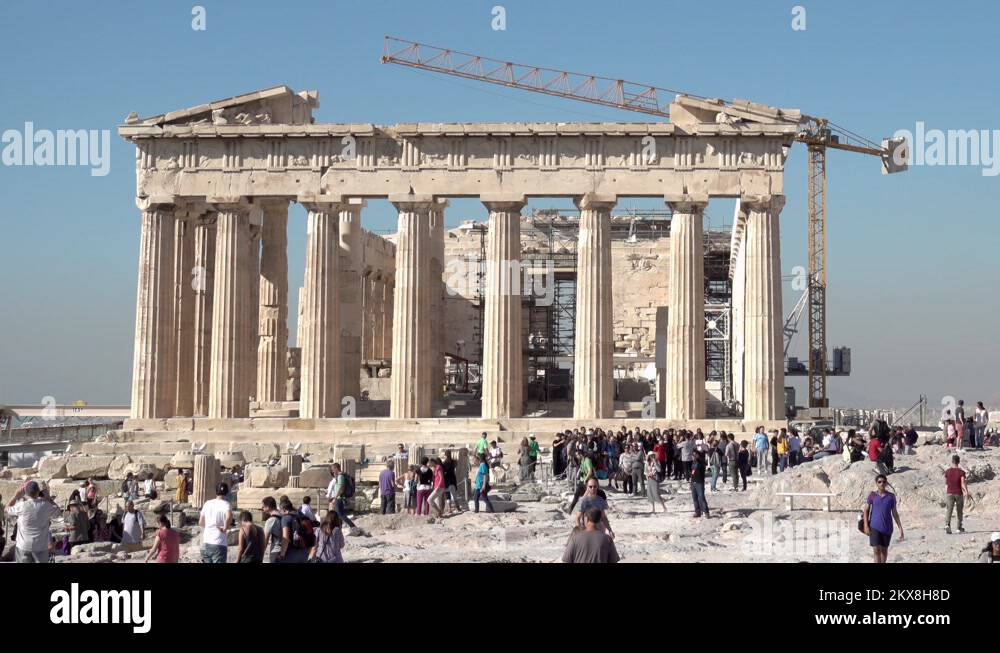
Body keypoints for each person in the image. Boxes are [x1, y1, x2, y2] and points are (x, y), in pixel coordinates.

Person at [6, 481, 61, 563]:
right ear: (38, 492)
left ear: (26, 493)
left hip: (23, 545)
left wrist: (16, 496)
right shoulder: (45, 505)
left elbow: (7, 509)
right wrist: (48, 498)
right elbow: (58, 512)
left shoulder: (21, 505)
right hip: (41, 546)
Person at [863, 475, 904, 563]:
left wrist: (900, 528)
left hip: (887, 528)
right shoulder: (872, 495)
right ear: (876, 483)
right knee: (876, 551)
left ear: (886, 483)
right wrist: (866, 525)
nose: (882, 483)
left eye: (884, 482)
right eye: (879, 482)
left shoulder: (891, 496)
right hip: (874, 527)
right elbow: (866, 510)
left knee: (884, 551)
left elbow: (895, 513)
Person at [198, 482, 233, 563]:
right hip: (219, 543)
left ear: (216, 491)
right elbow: (228, 516)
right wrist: (225, 527)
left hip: (206, 542)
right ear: (227, 493)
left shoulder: (207, 503)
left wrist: (209, 526)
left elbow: (200, 522)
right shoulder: (226, 504)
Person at [325, 462, 358, 530]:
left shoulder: (341, 476)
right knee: (338, 515)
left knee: (340, 514)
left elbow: (341, 489)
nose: (332, 471)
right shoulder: (340, 476)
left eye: (333, 469)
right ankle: (338, 528)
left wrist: (335, 498)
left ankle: (352, 526)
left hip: (339, 498)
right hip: (339, 498)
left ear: (336, 468)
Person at [944, 454, 970, 534]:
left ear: (952, 461)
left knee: (949, 510)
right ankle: (958, 527)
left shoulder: (947, 471)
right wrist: (966, 492)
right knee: (959, 511)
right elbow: (963, 483)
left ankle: (947, 525)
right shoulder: (961, 472)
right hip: (958, 493)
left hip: (949, 493)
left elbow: (946, 483)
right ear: (958, 462)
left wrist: (947, 491)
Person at [261, 496, 283, 563]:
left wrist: (261, 554)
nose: (262, 508)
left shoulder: (271, 520)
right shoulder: (283, 515)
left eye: (263, 507)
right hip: (286, 549)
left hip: (276, 550)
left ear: (268, 507)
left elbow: (265, 540)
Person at [441, 450, 463, 514]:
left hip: (447, 480)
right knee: (454, 495)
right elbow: (456, 466)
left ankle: (450, 509)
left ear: (445, 455)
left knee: (448, 495)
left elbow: (444, 471)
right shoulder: (454, 461)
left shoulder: (444, 463)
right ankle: (458, 508)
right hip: (452, 479)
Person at [690, 450, 710, 518]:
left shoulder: (701, 462)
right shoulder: (693, 462)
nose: (693, 456)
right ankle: (697, 511)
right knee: (694, 498)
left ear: (698, 455)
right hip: (693, 482)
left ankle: (706, 512)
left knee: (701, 497)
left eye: (695, 454)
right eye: (693, 455)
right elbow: (692, 471)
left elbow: (702, 467)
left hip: (699, 482)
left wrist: (699, 458)